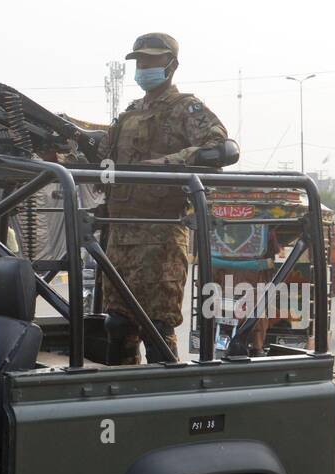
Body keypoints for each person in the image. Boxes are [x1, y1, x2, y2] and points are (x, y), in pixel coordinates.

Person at [98, 32, 229, 364]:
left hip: (160, 238)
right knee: (117, 325)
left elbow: (220, 147)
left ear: (171, 65)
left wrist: (163, 166)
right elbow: (101, 157)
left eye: (151, 60)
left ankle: (164, 404)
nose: (143, 66)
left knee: (157, 327)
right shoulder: (129, 114)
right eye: (139, 60)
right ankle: (120, 400)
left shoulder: (186, 108)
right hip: (120, 235)